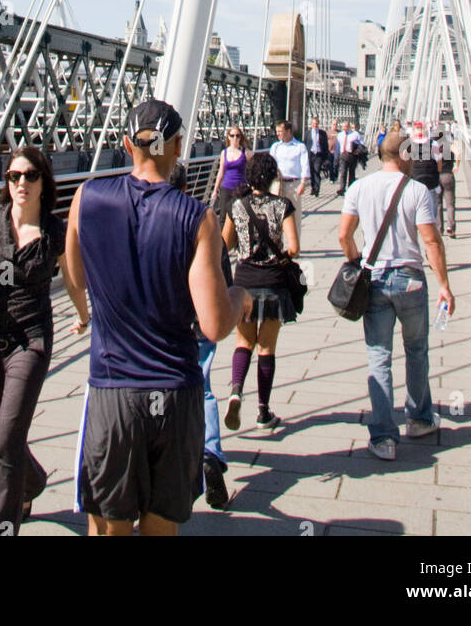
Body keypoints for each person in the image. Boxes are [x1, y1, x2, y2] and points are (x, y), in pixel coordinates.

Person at [65, 98, 251, 537]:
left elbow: (73, 275)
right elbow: (213, 326)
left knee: (108, 529)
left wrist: (86, 312)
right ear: (178, 146)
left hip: (113, 391)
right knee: (160, 528)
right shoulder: (197, 218)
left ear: (127, 143)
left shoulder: (86, 198)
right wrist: (239, 294)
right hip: (174, 393)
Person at [0, 144, 89, 536]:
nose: (21, 183)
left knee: (6, 440)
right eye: (14, 176)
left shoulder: (55, 232)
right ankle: (32, 481)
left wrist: (84, 315)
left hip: (32, 341)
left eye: (30, 176)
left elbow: (71, 277)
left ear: (43, 181)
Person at [337, 128, 455, 460]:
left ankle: (384, 438)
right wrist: (444, 284)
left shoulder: (359, 187)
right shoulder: (418, 191)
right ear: (405, 155)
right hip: (411, 278)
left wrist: (356, 262)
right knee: (416, 350)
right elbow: (431, 241)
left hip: (374, 279)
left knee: (379, 356)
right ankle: (418, 419)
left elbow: (344, 235)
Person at [170, 161, 233, 511]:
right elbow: (221, 275)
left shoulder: (143, 221)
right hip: (199, 325)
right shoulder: (204, 221)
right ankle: (209, 451)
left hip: (162, 326)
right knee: (203, 388)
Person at [222, 151, 299, 432]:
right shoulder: (282, 206)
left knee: (243, 343)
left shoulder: (237, 206)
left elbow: (225, 244)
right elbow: (294, 247)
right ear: (272, 177)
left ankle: (235, 391)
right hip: (273, 284)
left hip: (243, 284)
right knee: (267, 347)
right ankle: (263, 411)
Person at [269, 119, 309, 246]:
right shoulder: (275, 147)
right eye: (277, 132)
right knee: (277, 215)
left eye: (281, 131)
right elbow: (270, 164)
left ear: (288, 131)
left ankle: (294, 246)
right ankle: (278, 245)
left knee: (295, 215)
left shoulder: (299, 147)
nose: (278, 134)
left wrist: (303, 183)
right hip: (278, 184)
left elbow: (305, 165)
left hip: (294, 184)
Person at [211, 125, 252, 223]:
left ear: (240, 137)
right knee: (223, 217)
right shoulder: (224, 153)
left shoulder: (245, 152)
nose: (235, 138)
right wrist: (215, 190)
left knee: (240, 216)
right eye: (232, 135)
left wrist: (251, 185)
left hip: (240, 188)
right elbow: (221, 172)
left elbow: (253, 168)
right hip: (226, 188)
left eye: (237, 136)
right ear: (228, 137)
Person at [436, 127, 458, 237]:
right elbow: (458, 153)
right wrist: (457, 166)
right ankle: (451, 227)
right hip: (448, 175)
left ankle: (440, 229)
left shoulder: (434, 149)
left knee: (438, 204)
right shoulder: (449, 148)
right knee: (450, 204)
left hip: (438, 176)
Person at [336, 119, 365, 195]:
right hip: (343, 155)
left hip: (352, 155)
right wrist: (336, 156)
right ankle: (342, 189)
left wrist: (358, 151)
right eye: (343, 127)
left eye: (346, 127)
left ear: (349, 127)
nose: (344, 128)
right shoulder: (340, 135)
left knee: (352, 173)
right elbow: (338, 146)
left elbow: (361, 143)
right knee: (343, 172)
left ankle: (351, 188)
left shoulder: (355, 134)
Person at [306, 115, 329, 198]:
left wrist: (326, 158)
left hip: (318, 155)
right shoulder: (307, 133)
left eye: (316, 124)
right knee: (312, 172)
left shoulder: (322, 133)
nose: (315, 125)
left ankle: (317, 189)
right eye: (313, 124)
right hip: (311, 154)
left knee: (317, 171)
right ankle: (313, 187)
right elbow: (306, 144)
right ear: (311, 124)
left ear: (318, 124)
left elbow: (326, 145)